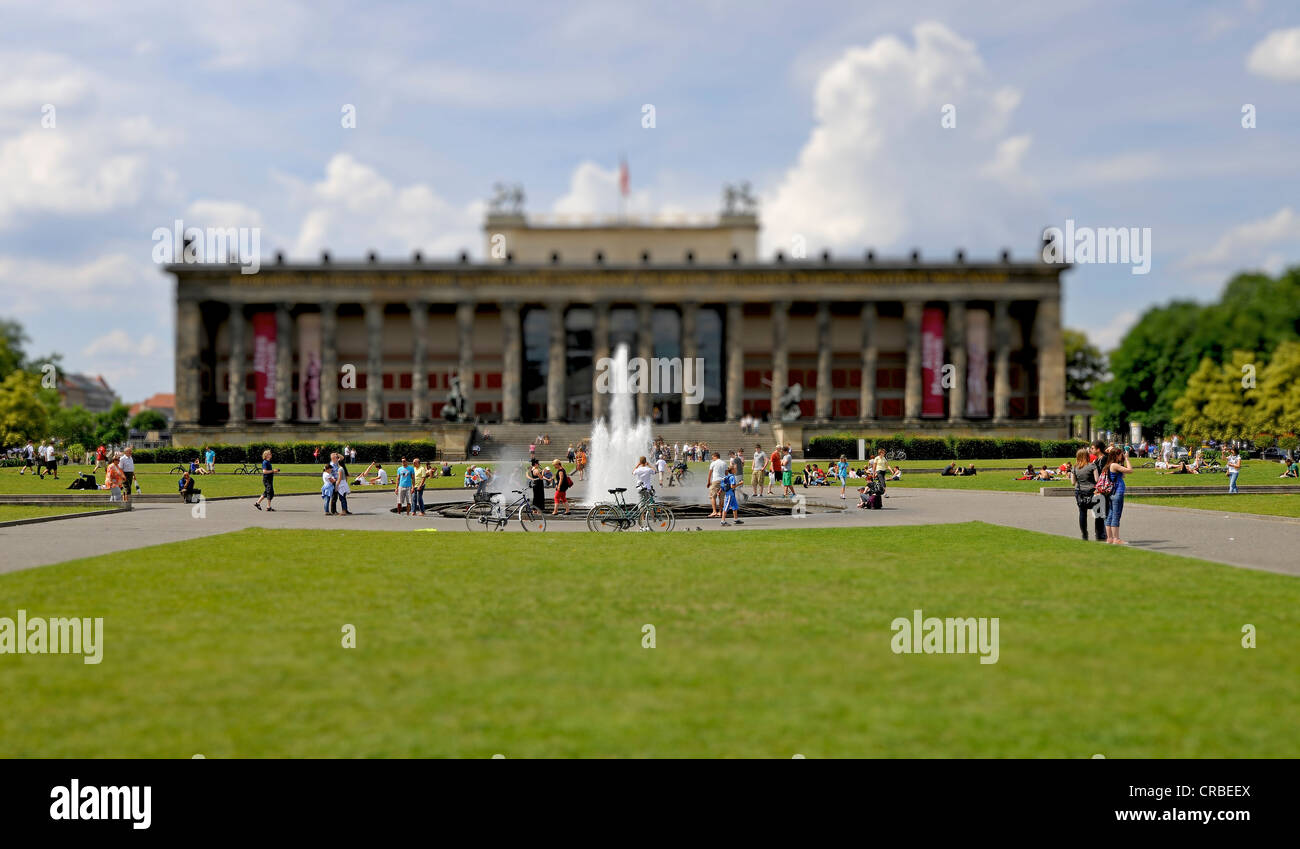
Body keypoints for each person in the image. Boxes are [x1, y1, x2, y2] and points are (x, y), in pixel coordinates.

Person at [1069, 447, 1106, 542]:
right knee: (1098, 513)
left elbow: (1073, 482)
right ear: (1087, 456)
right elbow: (1097, 480)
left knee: (1082, 513)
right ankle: (1099, 533)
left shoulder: (1074, 467)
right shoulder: (1092, 466)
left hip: (1080, 492)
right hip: (1092, 492)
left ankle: (1084, 534)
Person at [1103, 446, 1133, 545]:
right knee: (1116, 515)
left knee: (1111, 515)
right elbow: (1130, 470)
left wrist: (1122, 462)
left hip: (1112, 493)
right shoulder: (1114, 465)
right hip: (1117, 492)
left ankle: (1110, 538)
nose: (1122, 456)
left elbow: (1123, 474)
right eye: (1121, 454)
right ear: (1116, 455)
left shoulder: (1109, 465)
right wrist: (1127, 459)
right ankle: (1116, 539)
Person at [706, 451, 727, 518]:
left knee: (713, 496)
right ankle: (720, 512)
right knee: (721, 498)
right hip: (723, 481)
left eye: (713, 457)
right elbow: (726, 474)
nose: (712, 458)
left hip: (715, 481)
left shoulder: (713, 463)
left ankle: (714, 512)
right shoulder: (724, 463)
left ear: (715, 456)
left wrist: (708, 482)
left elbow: (710, 474)